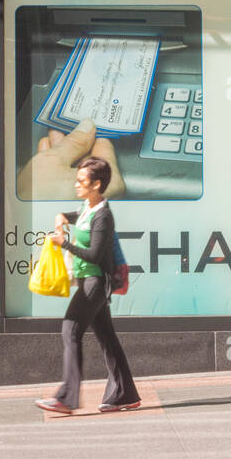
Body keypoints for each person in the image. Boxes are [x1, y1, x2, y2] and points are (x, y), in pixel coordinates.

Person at [35, 156, 141, 416]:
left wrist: (64, 244)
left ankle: (67, 398)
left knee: (70, 330)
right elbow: (80, 216)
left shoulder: (103, 216)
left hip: (95, 282)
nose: (76, 185)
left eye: (82, 181)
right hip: (88, 281)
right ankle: (124, 394)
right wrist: (64, 216)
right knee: (107, 339)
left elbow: (94, 254)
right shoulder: (88, 208)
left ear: (96, 185)